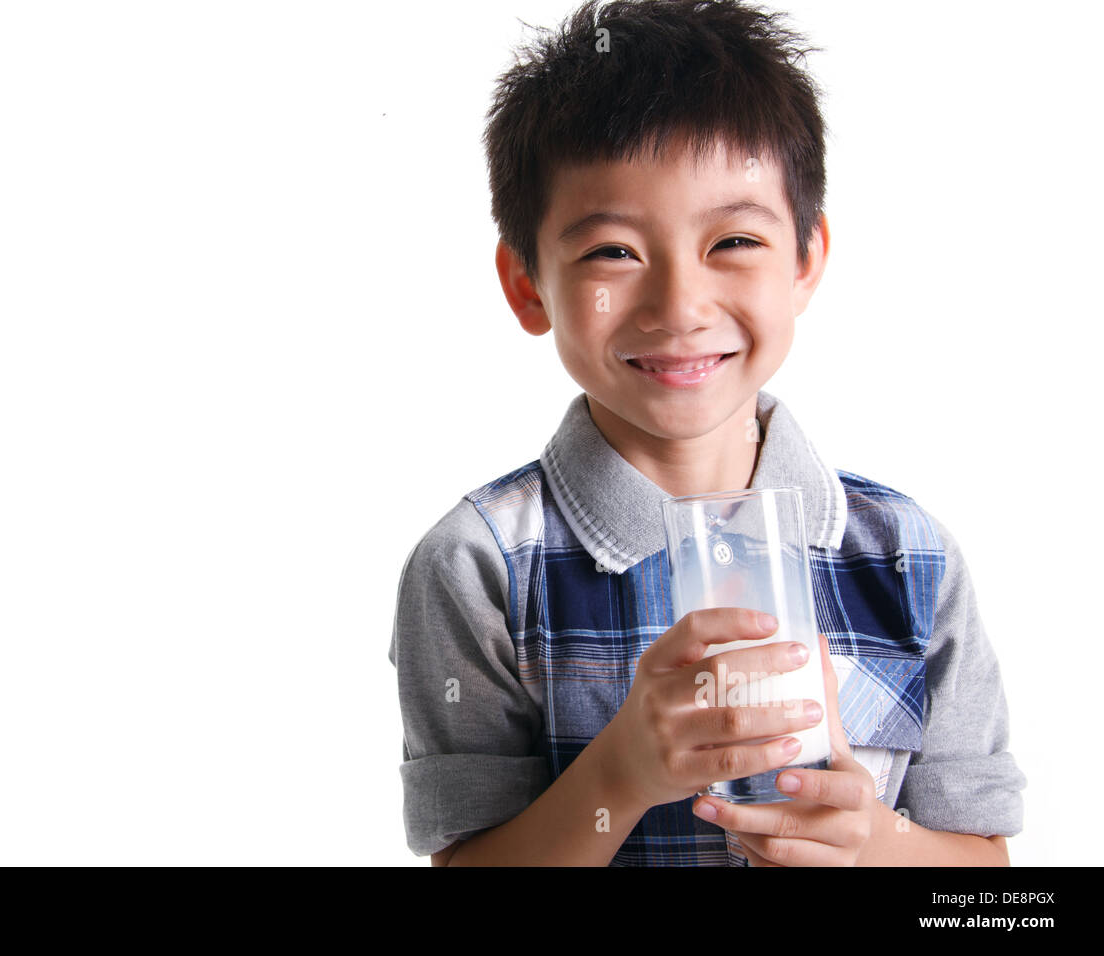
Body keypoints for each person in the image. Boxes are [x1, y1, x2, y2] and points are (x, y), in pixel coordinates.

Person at [388, 0, 1025, 866]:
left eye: (732, 239)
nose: (680, 308)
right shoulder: (478, 566)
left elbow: (984, 876)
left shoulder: (910, 556)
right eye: (614, 252)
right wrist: (618, 776)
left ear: (804, 260)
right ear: (528, 284)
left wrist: (872, 842)